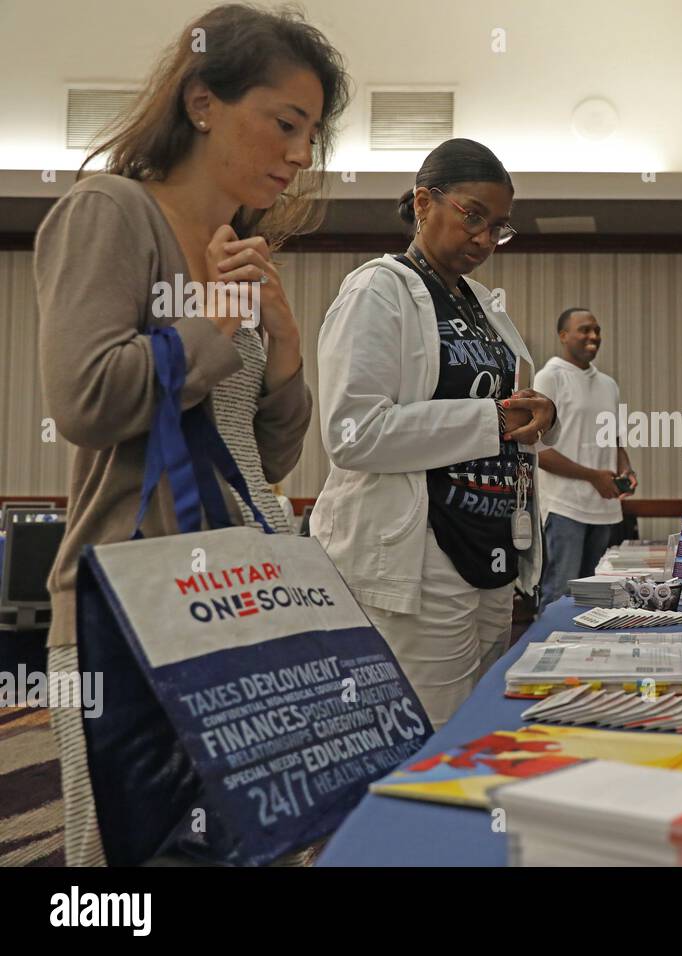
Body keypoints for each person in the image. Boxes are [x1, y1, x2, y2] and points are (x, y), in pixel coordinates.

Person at [34, 3, 349, 864]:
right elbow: (87, 398)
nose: (299, 154)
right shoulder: (110, 211)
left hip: (241, 594)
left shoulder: (234, 247)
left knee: (251, 843)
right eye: (284, 123)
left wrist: (280, 346)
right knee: (129, 862)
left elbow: (265, 455)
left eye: (311, 134)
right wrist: (212, 326)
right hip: (136, 608)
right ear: (202, 101)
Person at [313, 138, 558, 730]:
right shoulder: (379, 288)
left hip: (492, 544)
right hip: (421, 551)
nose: (483, 238)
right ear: (424, 203)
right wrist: (494, 419)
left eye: (498, 227)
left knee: (479, 725)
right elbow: (353, 432)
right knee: (430, 738)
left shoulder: (481, 305)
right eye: (472, 215)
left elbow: (497, 411)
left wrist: (533, 412)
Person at [535, 308, 636, 609]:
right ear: (563, 336)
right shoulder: (548, 378)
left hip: (603, 507)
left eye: (597, 330)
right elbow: (539, 451)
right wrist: (594, 476)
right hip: (565, 506)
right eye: (584, 330)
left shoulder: (608, 384)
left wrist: (626, 469)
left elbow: (614, 438)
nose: (593, 336)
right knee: (559, 596)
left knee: (594, 600)